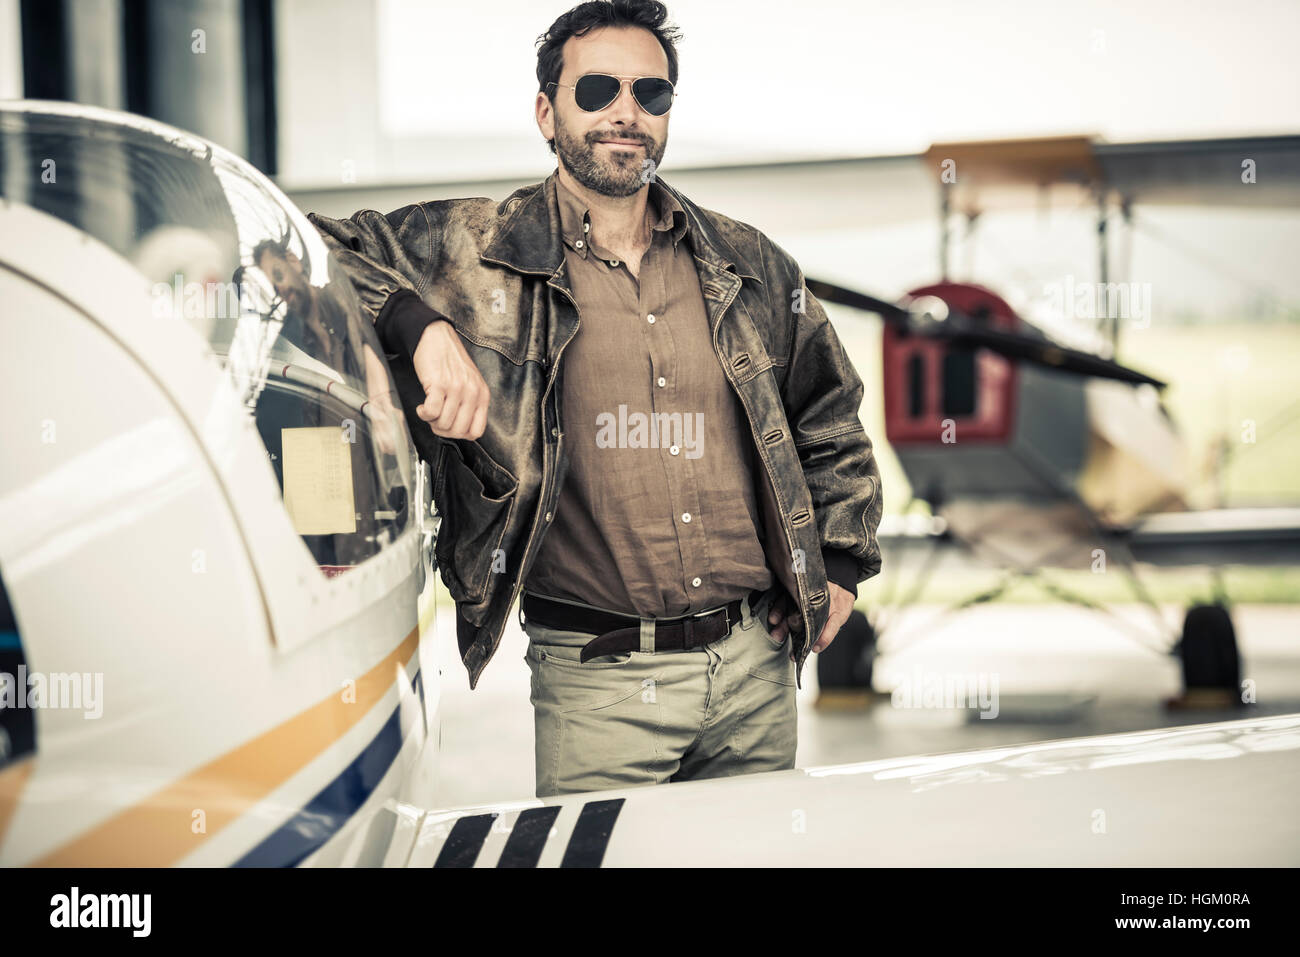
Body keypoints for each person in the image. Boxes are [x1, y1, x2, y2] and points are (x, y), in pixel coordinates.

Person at [309, 0, 883, 797]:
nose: (626, 113)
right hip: (598, 686)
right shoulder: (472, 251)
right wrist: (419, 325)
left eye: (651, 95)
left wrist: (842, 564)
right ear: (547, 113)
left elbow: (831, 415)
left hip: (755, 670)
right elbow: (299, 246)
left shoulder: (752, 264)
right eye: (599, 90)